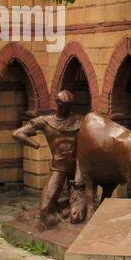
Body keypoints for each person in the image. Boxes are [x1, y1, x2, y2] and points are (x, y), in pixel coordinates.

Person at [13, 91, 82, 229]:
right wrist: (35, 144)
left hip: (78, 168)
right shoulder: (45, 121)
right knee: (45, 208)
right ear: (58, 104)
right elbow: (17, 134)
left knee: (79, 209)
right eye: (64, 105)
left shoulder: (80, 120)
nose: (66, 109)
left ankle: (66, 212)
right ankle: (59, 214)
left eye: (69, 106)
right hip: (59, 167)